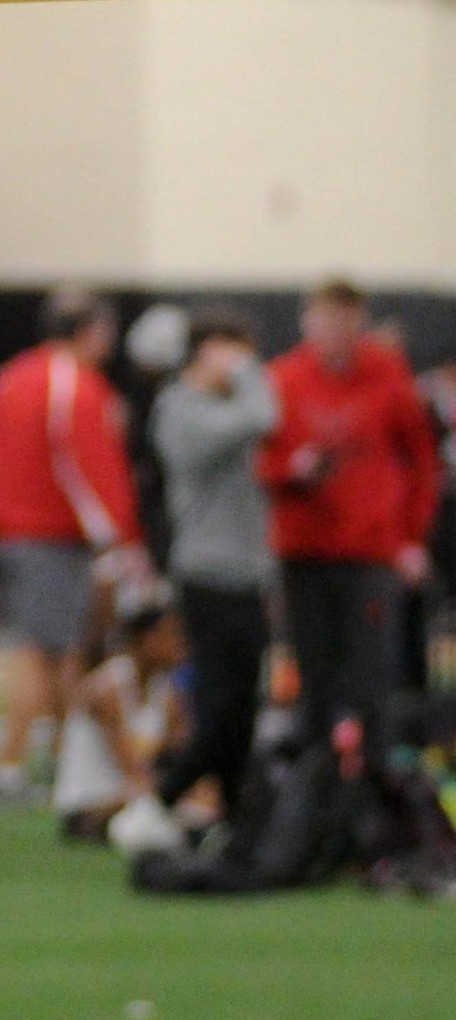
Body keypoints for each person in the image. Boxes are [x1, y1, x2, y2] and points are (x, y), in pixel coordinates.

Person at [0, 289, 142, 806]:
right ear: (91, 331)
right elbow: (81, 464)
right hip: (46, 530)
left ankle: (65, 757)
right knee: (44, 650)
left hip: (16, 527)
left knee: (63, 649)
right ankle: (9, 766)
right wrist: (118, 535)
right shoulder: (72, 384)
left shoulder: (10, 375)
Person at [258, 280, 440, 757]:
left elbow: (422, 462)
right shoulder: (284, 378)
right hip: (304, 551)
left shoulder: (387, 375)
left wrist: (411, 537)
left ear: (358, 323)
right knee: (313, 680)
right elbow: (259, 463)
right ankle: (315, 798)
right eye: (325, 319)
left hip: (370, 553)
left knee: (372, 679)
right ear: (306, 321)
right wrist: (291, 470)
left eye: (344, 320)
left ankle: (378, 796)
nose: (335, 331)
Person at [148, 307, 278, 822]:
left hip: (248, 574)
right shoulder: (181, 408)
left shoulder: (226, 405)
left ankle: (233, 807)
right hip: (207, 575)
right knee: (220, 706)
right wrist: (248, 375)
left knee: (245, 707)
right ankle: (159, 799)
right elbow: (261, 417)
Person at [54, 596, 188, 844]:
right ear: (147, 639)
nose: (180, 643)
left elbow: (180, 750)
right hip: (92, 806)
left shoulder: (166, 690)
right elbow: (131, 766)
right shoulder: (108, 688)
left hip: (136, 794)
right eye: (171, 635)